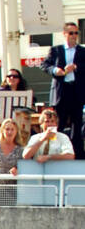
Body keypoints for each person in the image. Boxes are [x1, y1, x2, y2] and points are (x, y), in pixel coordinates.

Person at [42, 22, 85, 158]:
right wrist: (56, 70)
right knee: (58, 123)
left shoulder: (82, 51)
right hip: (61, 91)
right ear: (65, 34)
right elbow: (45, 65)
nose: (74, 36)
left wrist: (76, 68)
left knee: (77, 124)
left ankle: (76, 154)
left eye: (76, 33)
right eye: (71, 33)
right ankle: (55, 151)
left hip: (76, 91)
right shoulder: (56, 50)